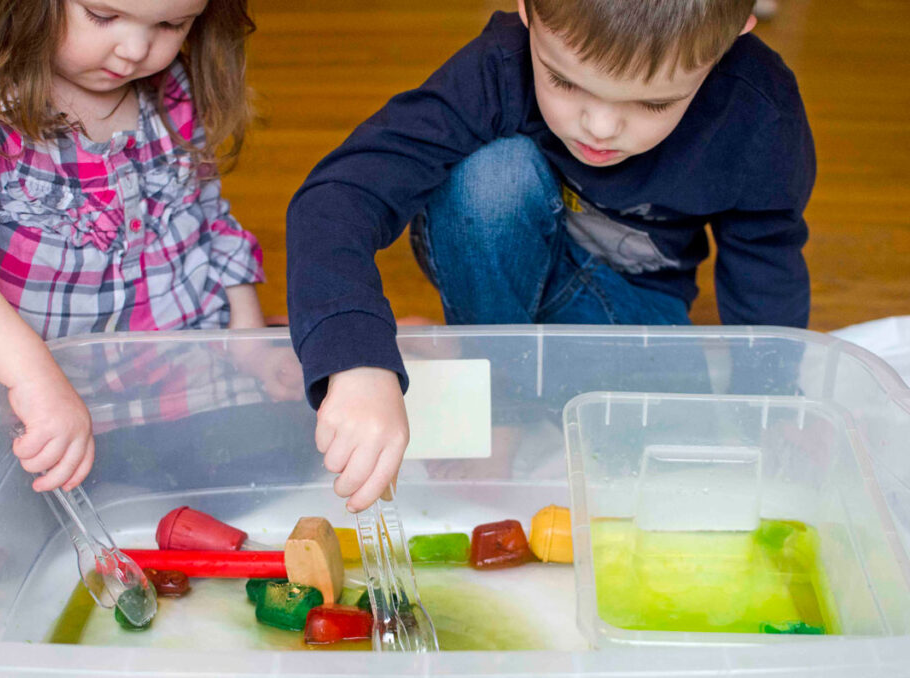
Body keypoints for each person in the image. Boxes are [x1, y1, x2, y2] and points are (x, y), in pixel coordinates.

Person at [286, 0, 815, 511]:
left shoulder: (760, 111)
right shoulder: (498, 65)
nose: (601, 128)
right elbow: (339, 197)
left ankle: (477, 350)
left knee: (669, 454)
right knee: (492, 178)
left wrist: (771, 404)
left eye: (654, 103)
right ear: (527, 9)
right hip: (500, 256)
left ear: (733, 37)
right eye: (564, 82)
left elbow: (766, 261)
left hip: (629, 306)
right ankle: (500, 402)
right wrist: (356, 358)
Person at [0, 0, 274, 490]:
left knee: (274, 479)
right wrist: (34, 379)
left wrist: (252, 345)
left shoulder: (174, 90)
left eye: (171, 25)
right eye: (104, 16)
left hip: (177, 400)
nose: (135, 50)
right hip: (30, 422)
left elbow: (209, 223)